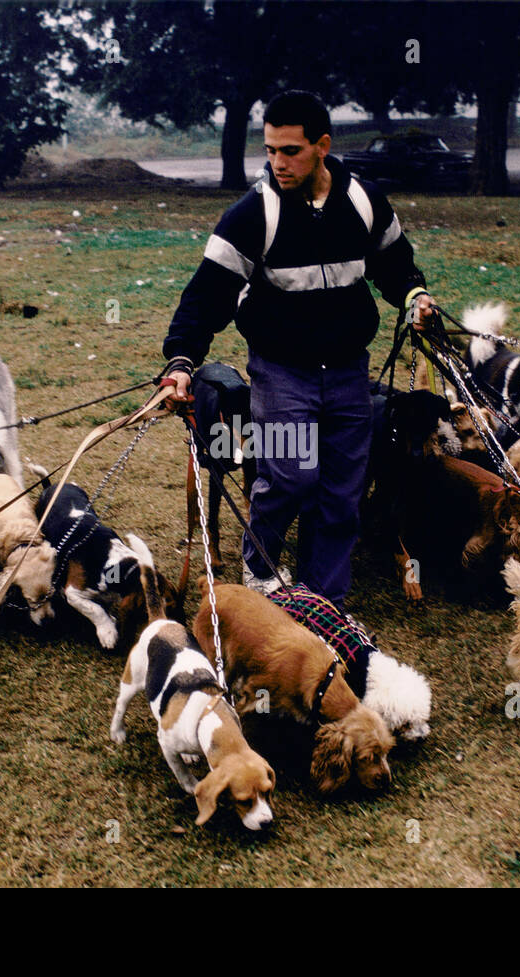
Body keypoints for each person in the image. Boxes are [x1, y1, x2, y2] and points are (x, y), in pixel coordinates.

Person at [159, 91, 434, 610]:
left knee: (340, 495)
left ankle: (321, 601)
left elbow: (396, 267)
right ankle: (261, 569)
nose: (278, 163)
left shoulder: (364, 202)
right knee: (290, 475)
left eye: (291, 151)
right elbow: (204, 298)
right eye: (271, 150)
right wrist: (180, 362)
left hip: (349, 372)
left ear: (322, 146)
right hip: (283, 372)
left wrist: (416, 295)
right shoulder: (250, 215)